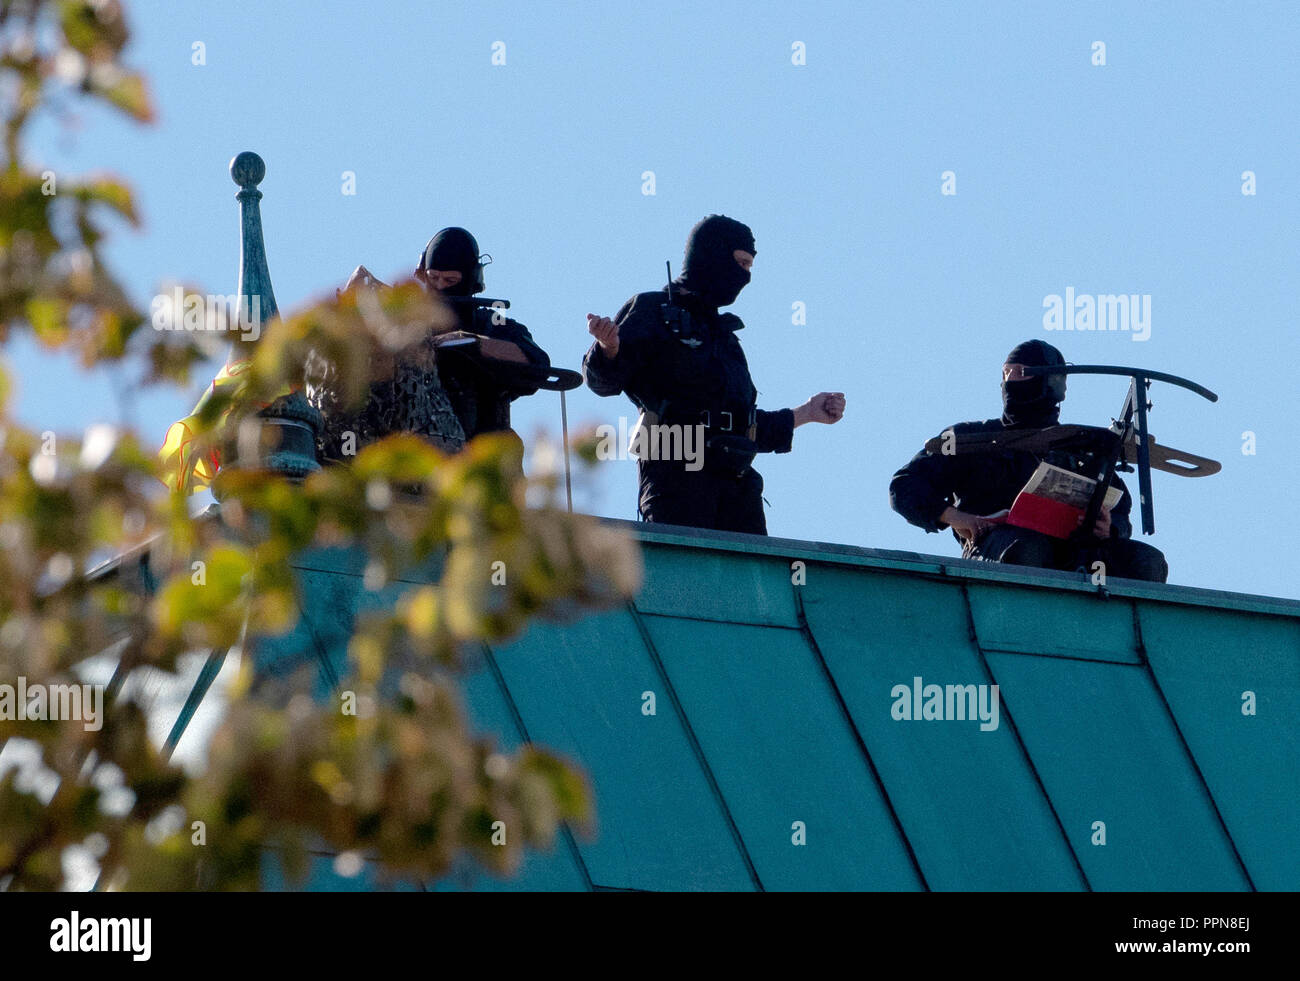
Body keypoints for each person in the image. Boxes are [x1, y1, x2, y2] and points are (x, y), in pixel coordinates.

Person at [583, 214, 845, 534]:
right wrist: (607, 349)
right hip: (677, 477)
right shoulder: (653, 310)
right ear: (712, 256)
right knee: (687, 577)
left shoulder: (724, 336)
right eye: (741, 263)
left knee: (750, 580)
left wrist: (807, 413)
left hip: (737, 485)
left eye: (750, 267)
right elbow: (601, 381)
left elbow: (741, 423)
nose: (745, 277)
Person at [888, 339, 1168, 582]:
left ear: (1051, 382)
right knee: (1028, 549)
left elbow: (1120, 507)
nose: (1011, 381)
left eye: (1021, 373)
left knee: (1146, 561)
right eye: (1006, 373)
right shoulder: (972, 439)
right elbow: (905, 486)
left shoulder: (1081, 446)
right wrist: (956, 517)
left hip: (1077, 552)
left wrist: (1110, 528)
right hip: (996, 550)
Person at [313, 227, 552, 461]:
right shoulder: (408, 323)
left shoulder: (490, 324)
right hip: (404, 450)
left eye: (450, 280)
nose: (439, 287)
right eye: (433, 278)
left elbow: (537, 364)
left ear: (470, 280)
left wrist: (471, 345)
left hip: (472, 456)